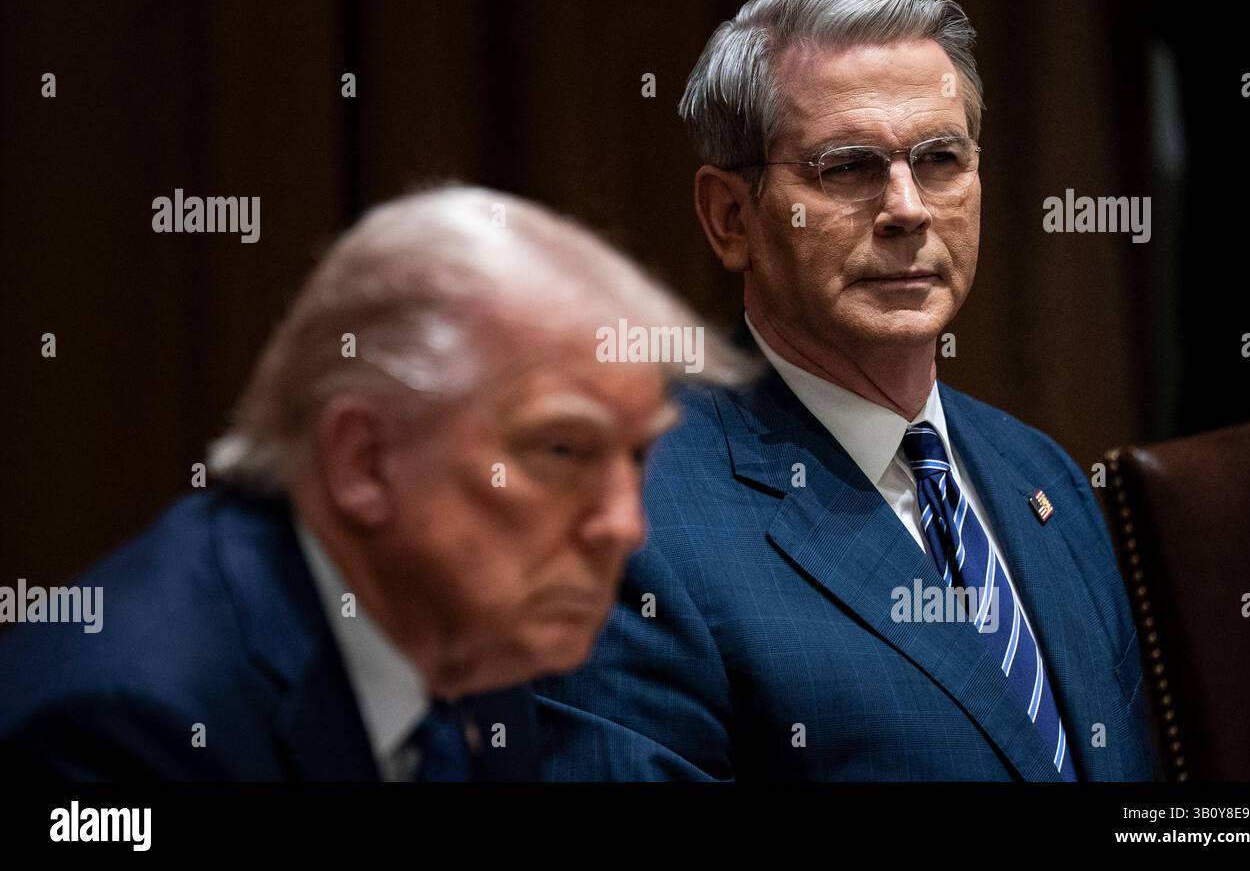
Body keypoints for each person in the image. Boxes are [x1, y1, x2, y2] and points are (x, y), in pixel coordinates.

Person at [535, 0, 1157, 780]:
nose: (908, 208)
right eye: (848, 168)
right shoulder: (623, 524)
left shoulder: (1044, 477)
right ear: (731, 217)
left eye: (940, 158)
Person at [0, 184, 752, 780]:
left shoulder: (469, 641)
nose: (624, 525)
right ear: (362, 461)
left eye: (636, 457)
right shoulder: (126, 726)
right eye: (560, 450)